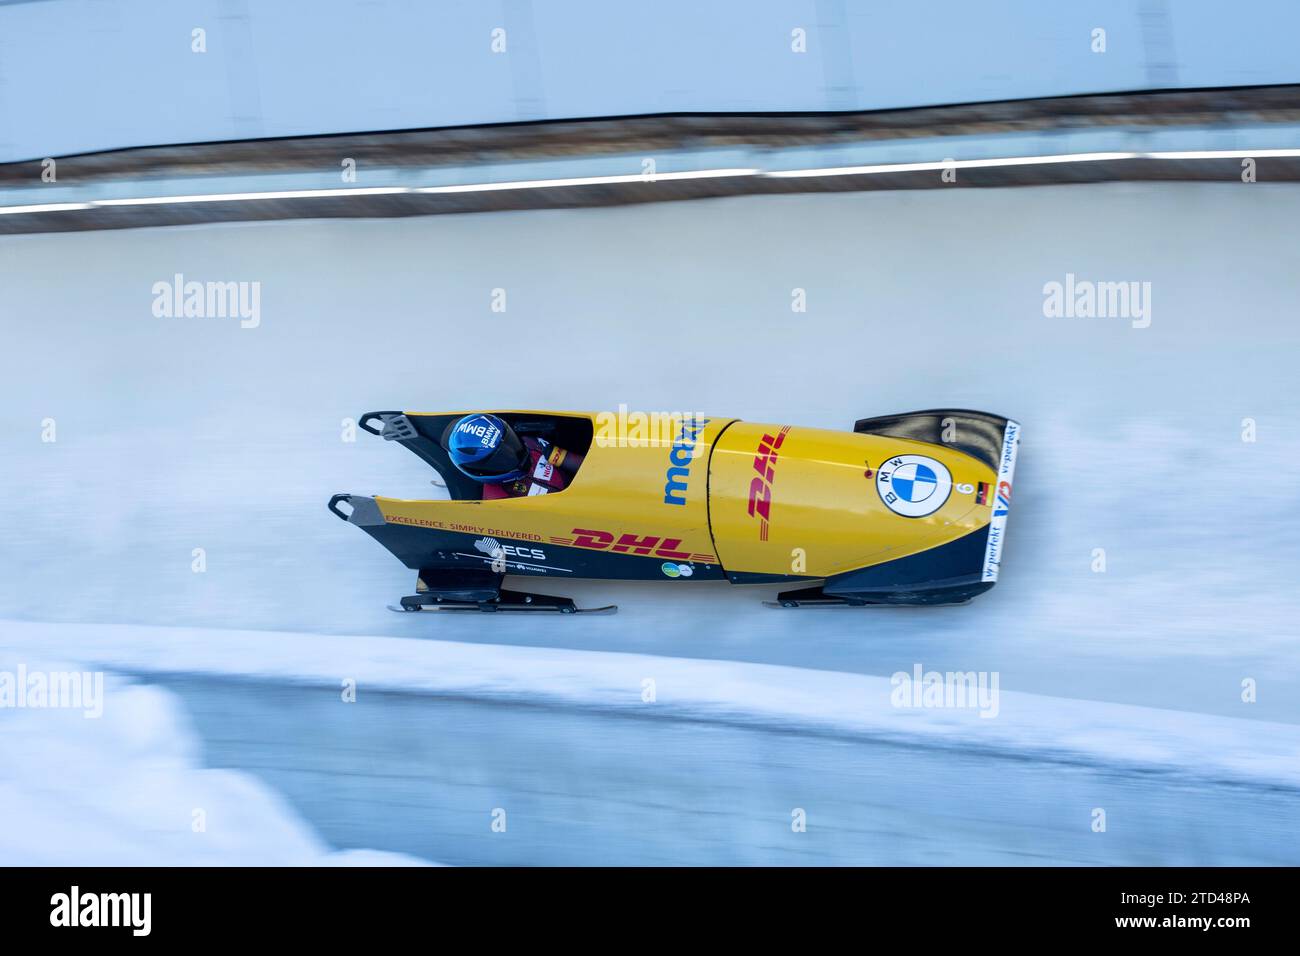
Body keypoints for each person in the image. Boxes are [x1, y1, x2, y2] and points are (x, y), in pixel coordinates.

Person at [444, 413, 583, 499]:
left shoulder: (533, 444)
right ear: (481, 471)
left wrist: (560, 457)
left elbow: (582, 464)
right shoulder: (496, 498)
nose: (510, 452)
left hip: (587, 492)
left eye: (510, 442)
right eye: (499, 458)